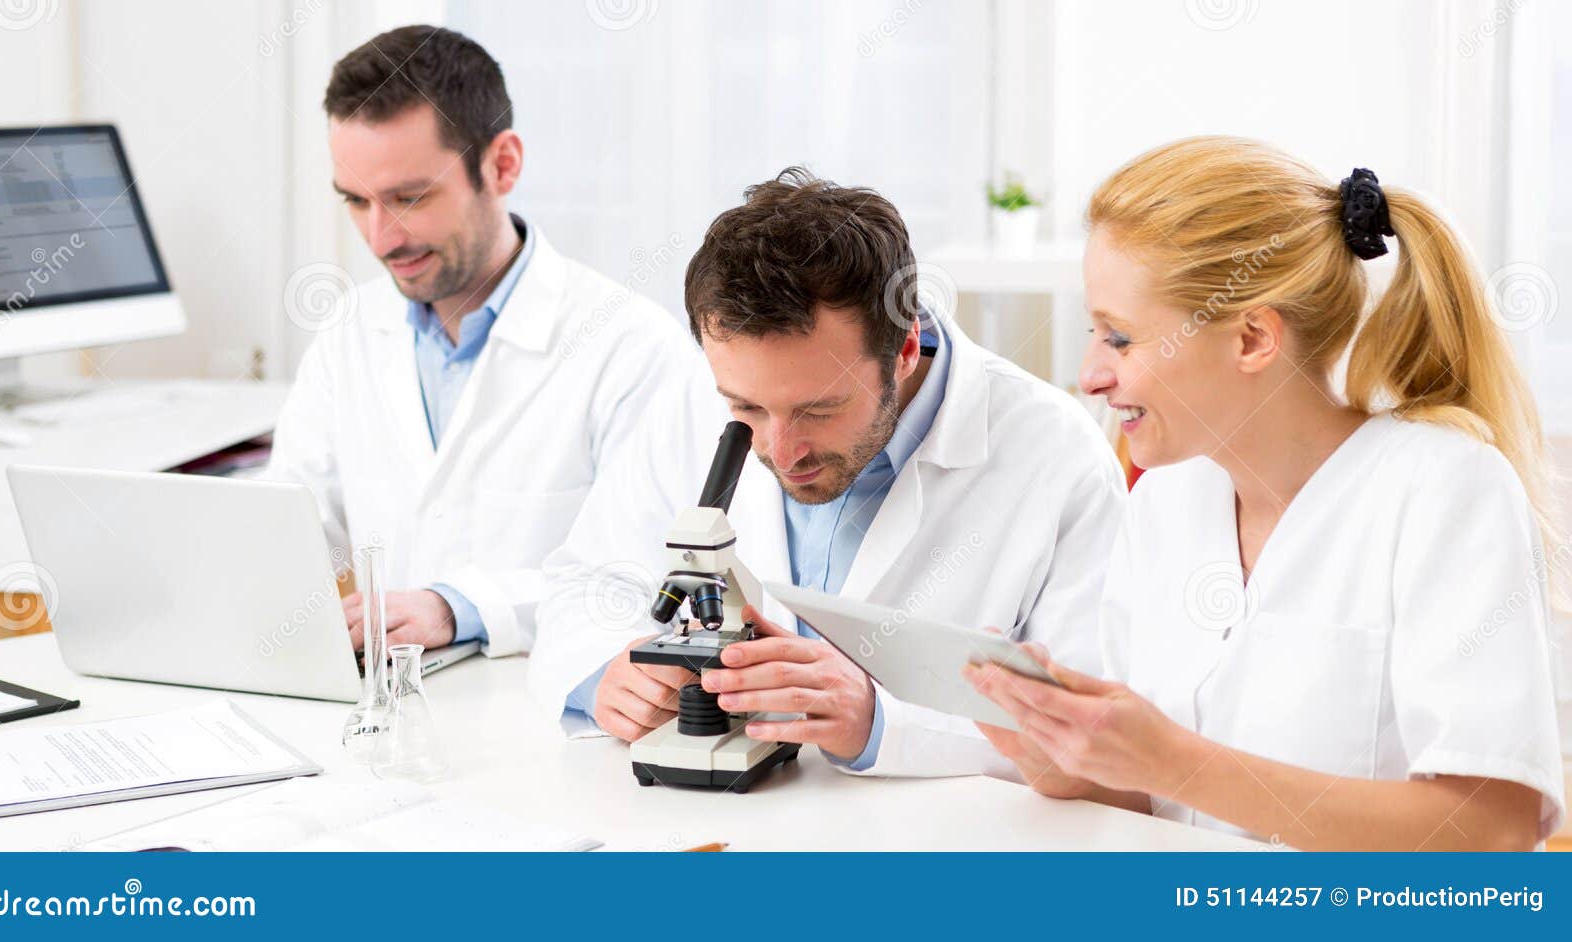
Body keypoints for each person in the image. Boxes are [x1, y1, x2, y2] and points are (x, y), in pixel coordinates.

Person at [965, 136, 1567, 849]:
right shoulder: (1165, 501)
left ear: (1252, 338)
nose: (1089, 375)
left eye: (1120, 339)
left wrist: (1173, 762)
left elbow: (1490, 830)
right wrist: (1070, 763)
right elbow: (1164, 805)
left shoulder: (1443, 488)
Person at [528, 169, 1125, 777]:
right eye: (747, 409)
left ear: (905, 349)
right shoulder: (691, 399)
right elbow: (585, 579)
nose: (782, 453)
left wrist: (880, 724)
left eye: (819, 409)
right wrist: (607, 674)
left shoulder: (1055, 453)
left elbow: (1099, 729)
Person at [264, 26, 693, 657]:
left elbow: (654, 579)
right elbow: (290, 532)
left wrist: (457, 607)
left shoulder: (631, 347)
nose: (381, 238)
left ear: (502, 164)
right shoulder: (349, 333)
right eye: (357, 201)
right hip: (390, 710)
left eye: (410, 198)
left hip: (548, 709)